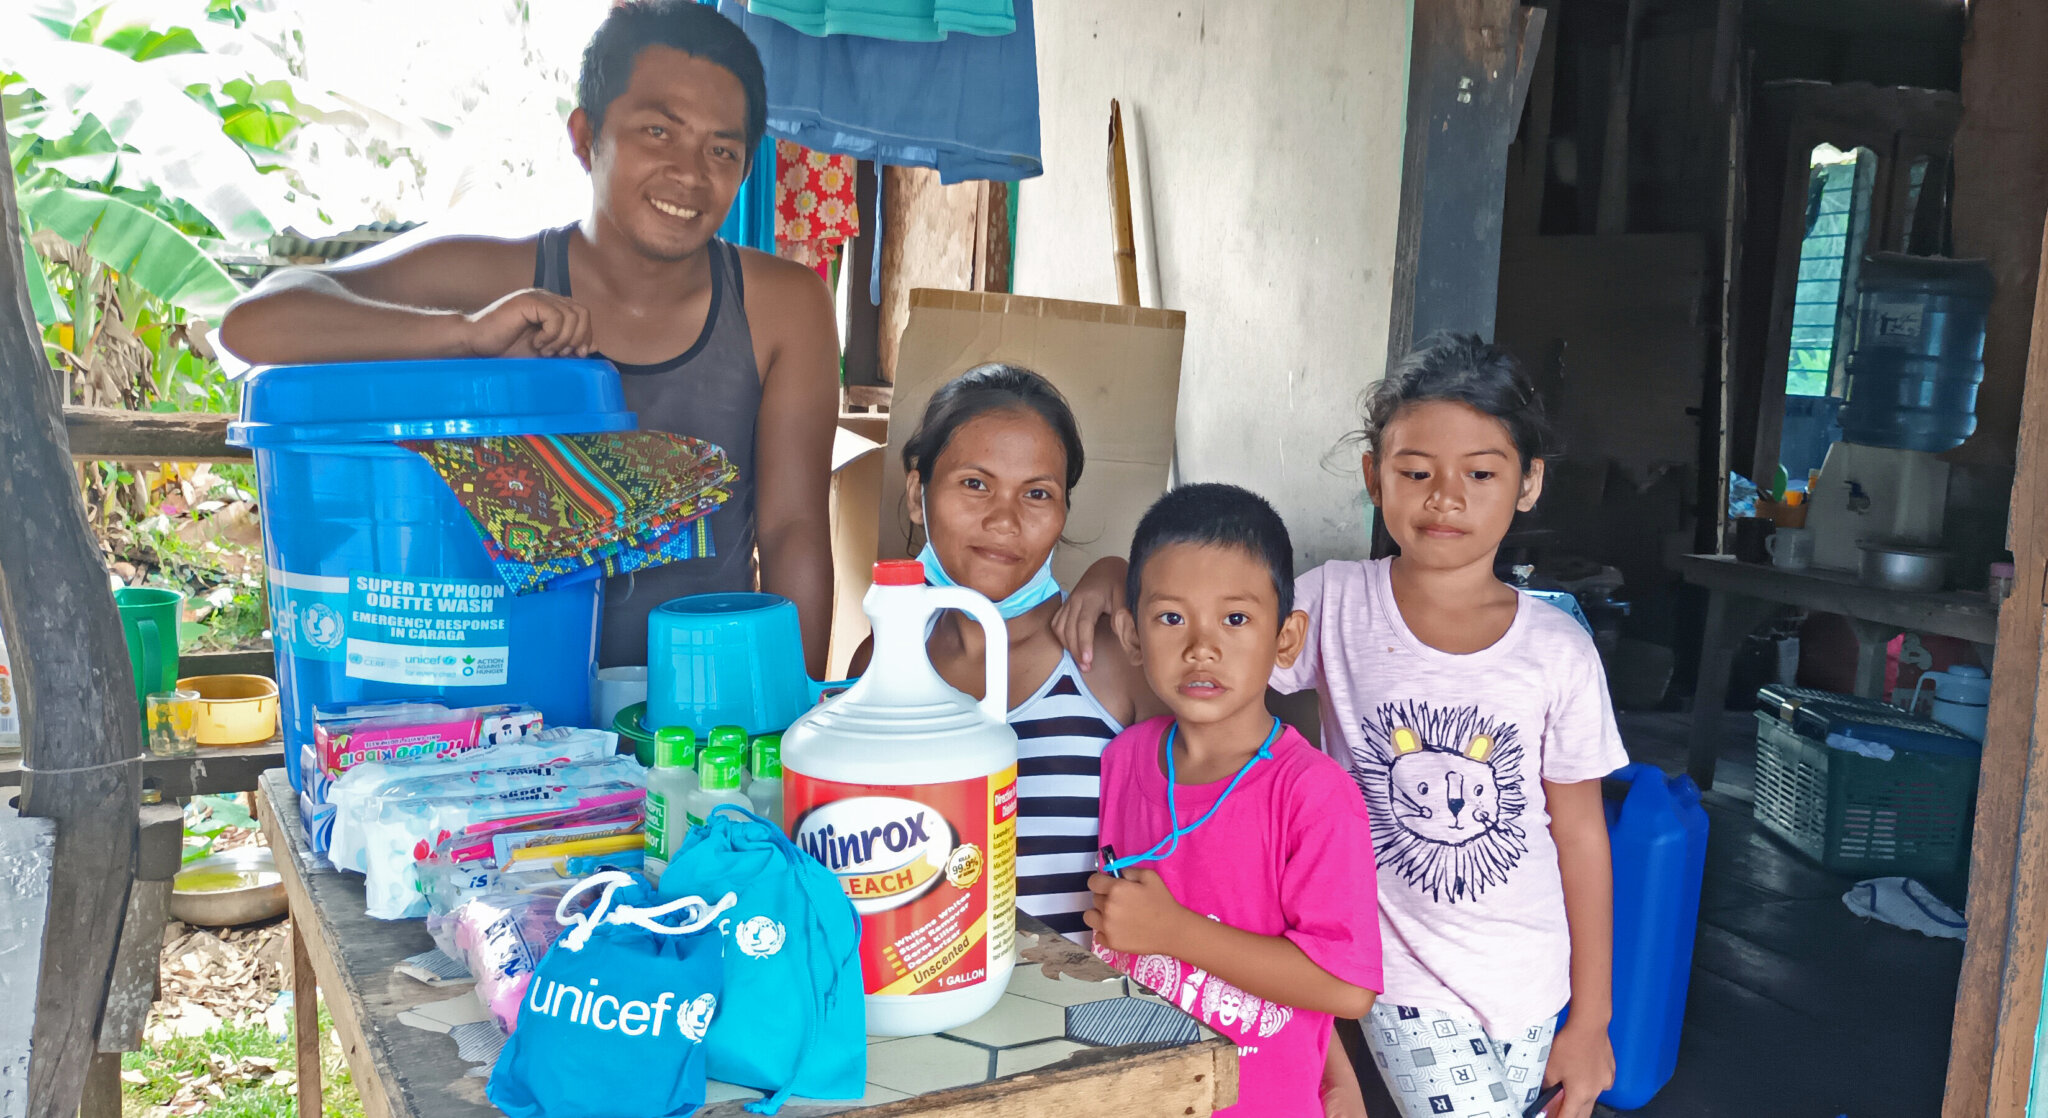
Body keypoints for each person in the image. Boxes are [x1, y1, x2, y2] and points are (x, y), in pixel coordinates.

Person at [1058, 334, 1625, 1118]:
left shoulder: (1558, 651)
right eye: (1416, 471)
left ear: (1528, 483)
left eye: (1482, 473)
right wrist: (1112, 574)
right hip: (1394, 966)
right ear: (1374, 476)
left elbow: (1582, 835)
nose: (1445, 496)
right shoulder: (1335, 604)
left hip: (1528, 975)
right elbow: (1212, 635)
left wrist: (1590, 1016)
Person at [218, 0, 841, 676]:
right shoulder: (488, 278)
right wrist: (465, 337)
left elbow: (792, 529)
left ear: (746, 168)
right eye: (658, 132)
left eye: (721, 149)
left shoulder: (784, 305)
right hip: (510, 711)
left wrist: (789, 718)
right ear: (585, 136)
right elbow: (257, 321)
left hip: (700, 714)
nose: (690, 172)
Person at [1087, 482, 1381, 1118]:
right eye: (1171, 618)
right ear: (1131, 637)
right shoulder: (1125, 761)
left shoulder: (1314, 796)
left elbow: (1348, 986)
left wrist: (1174, 933)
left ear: (1286, 639)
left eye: (1236, 619)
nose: (1202, 646)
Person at [849, 364, 1162, 943]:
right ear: (918, 494)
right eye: (974, 483)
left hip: (1075, 1017)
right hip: (921, 998)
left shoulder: (1108, 657)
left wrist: (1122, 572)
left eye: (1037, 494)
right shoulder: (882, 662)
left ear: (1064, 511)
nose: (1004, 519)